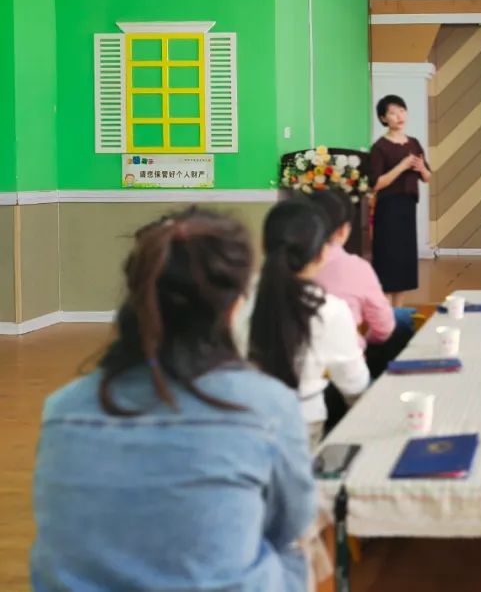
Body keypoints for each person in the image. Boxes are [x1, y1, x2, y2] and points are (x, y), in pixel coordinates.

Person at [32, 208, 315, 592]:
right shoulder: (266, 405)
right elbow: (291, 524)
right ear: (235, 304)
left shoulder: (61, 409)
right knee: (295, 555)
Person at [236, 199, 370, 451]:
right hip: (303, 430)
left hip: (238, 426)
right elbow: (355, 388)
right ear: (322, 254)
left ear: (263, 246)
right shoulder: (329, 310)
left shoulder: (235, 299)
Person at [309, 189, 413, 386]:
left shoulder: (277, 269)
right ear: (343, 230)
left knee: (401, 315)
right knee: (402, 318)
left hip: (293, 379)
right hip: (341, 380)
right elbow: (383, 328)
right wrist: (362, 340)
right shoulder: (354, 267)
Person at [369, 94, 431, 306]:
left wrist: (421, 168)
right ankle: (386, 315)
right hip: (388, 209)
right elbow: (376, 183)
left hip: (407, 209)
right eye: (393, 113)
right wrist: (402, 166)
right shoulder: (380, 147)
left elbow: (428, 177)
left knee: (404, 262)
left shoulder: (414, 143)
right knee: (388, 261)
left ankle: (399, 311)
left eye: (402, 111)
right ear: (383, 118)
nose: (399, 116)